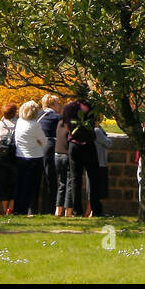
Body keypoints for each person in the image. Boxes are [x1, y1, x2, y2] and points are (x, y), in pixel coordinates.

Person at [62, 86, 99, 218]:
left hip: (74, 144)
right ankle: (95, 209)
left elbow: (66, 126)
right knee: (93, 178)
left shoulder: (68, 108)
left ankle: (77, 210)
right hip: (89, 144)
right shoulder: (92, 106)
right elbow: (95, 124)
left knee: (75, 178)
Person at [13, 101, 47, 215]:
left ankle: (18, 209)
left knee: (20, 184)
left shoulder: (19, 122)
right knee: (32, 186)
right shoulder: (35, 125)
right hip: (34, 157)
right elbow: (44, 141)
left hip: (20, 156)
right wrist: (37, 142)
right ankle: (29, 209)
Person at [0, 103, 19, 216]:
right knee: (14, 182)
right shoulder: (18, 124)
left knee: (3, 182)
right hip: (13, 155)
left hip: (0, 155)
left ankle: (4, 209)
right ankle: (11, 209)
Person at [39, 95, 62, 217]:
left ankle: (34, 208)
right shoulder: (56, 117)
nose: (59, 106)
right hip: (50, 149)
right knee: (50, 178)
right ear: (53, 105)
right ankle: (49, 207)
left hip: (37, 149)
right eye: (58, 103)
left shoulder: (38, 115)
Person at [86, 115, 112, 217]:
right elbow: (108, 143)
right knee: (97, 188)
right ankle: (93, 211)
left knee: (93, 188)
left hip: (95, 161)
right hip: (100, 161)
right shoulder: (97, 131)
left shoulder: (92, 130)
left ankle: (91, 211)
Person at [53, 115, 73, 216]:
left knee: (61, 183)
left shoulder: (59, 123)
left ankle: (58, 209)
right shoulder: (71, 125)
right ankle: (68, 211)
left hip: (57, 155)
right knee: (69, 183)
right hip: (67, 155)